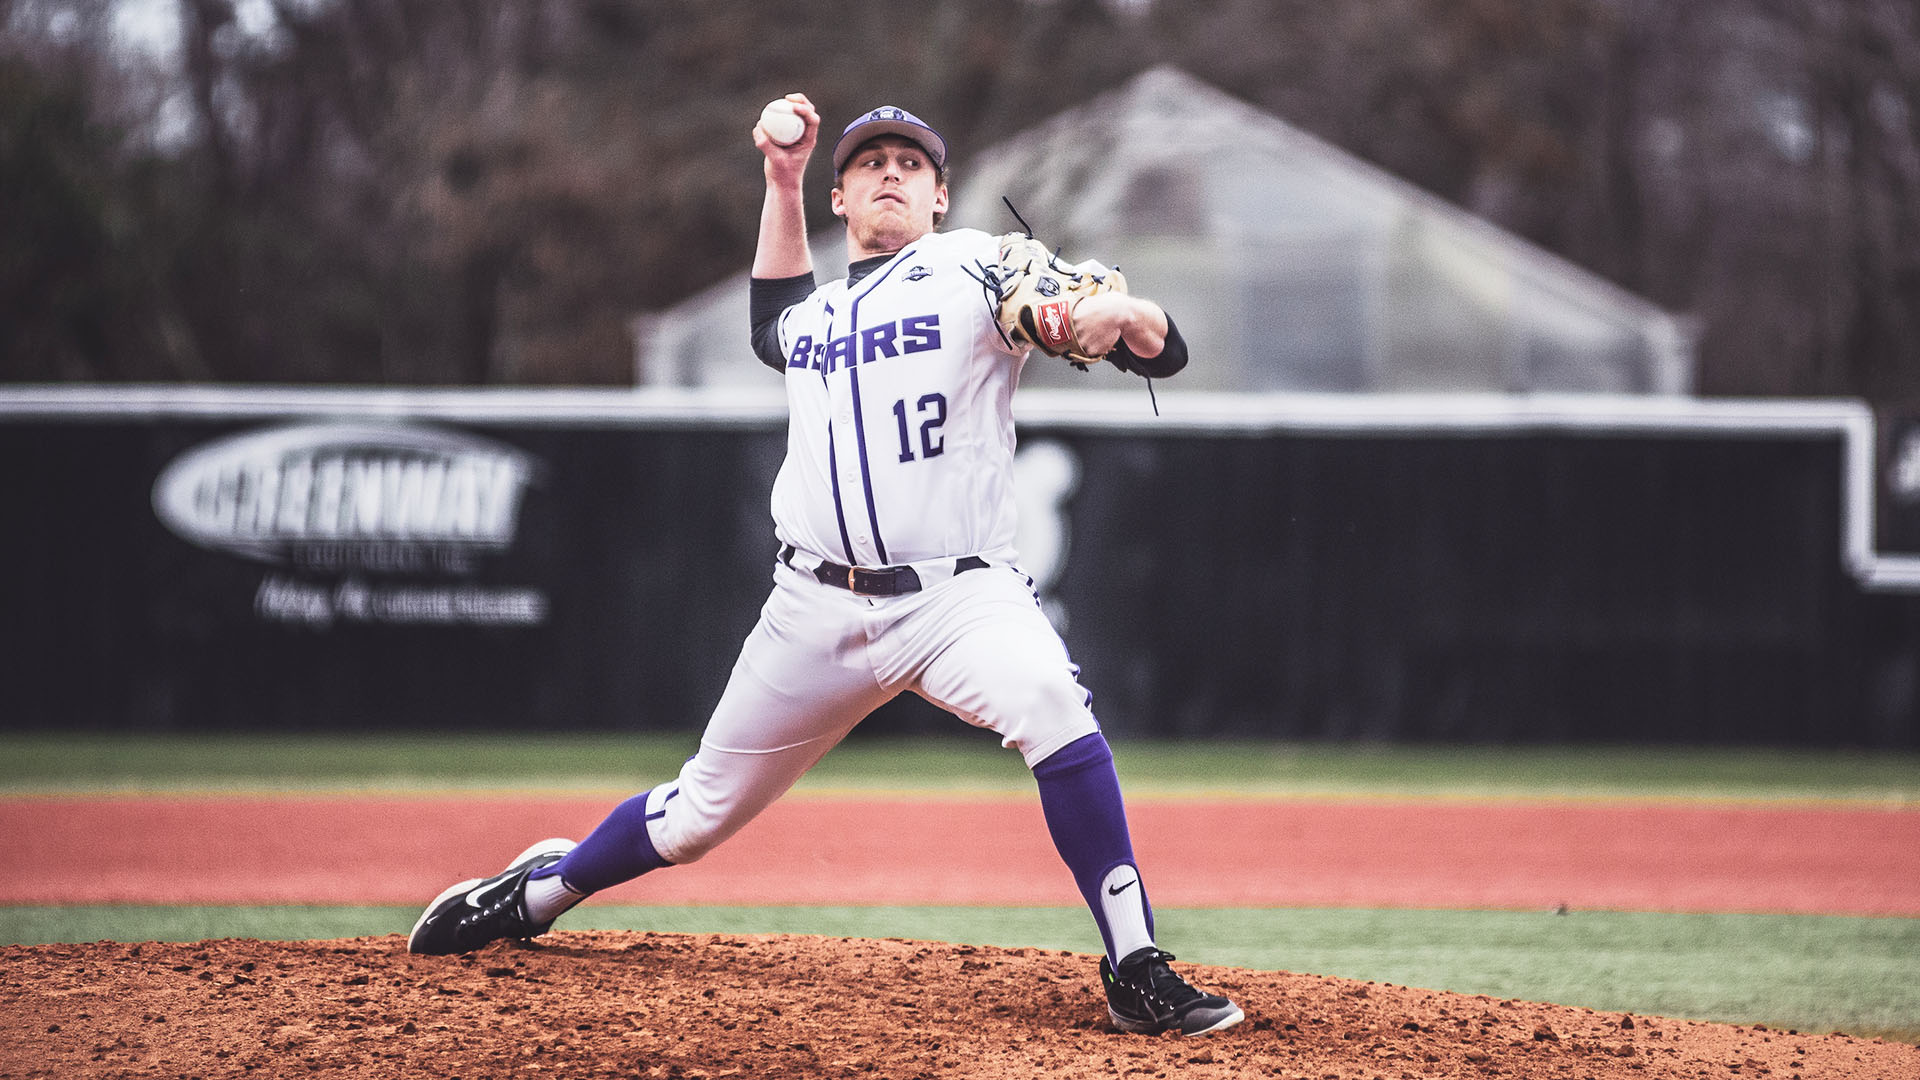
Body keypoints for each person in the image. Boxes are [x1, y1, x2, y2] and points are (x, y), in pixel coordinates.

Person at [408, 94, 1243, 1038]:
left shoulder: (971, 262)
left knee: (1053, 704)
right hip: (813, 605)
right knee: (697, 818)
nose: (891, 172)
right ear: (840, 200)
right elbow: (772, 322)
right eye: (870, 163)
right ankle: (537, 894)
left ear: (940, 196)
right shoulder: (818, 319)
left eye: (912, 163)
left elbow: (1108, 326)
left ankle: (1134, 964)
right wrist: (778, 177)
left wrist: (1119, 313)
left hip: (958, 598)